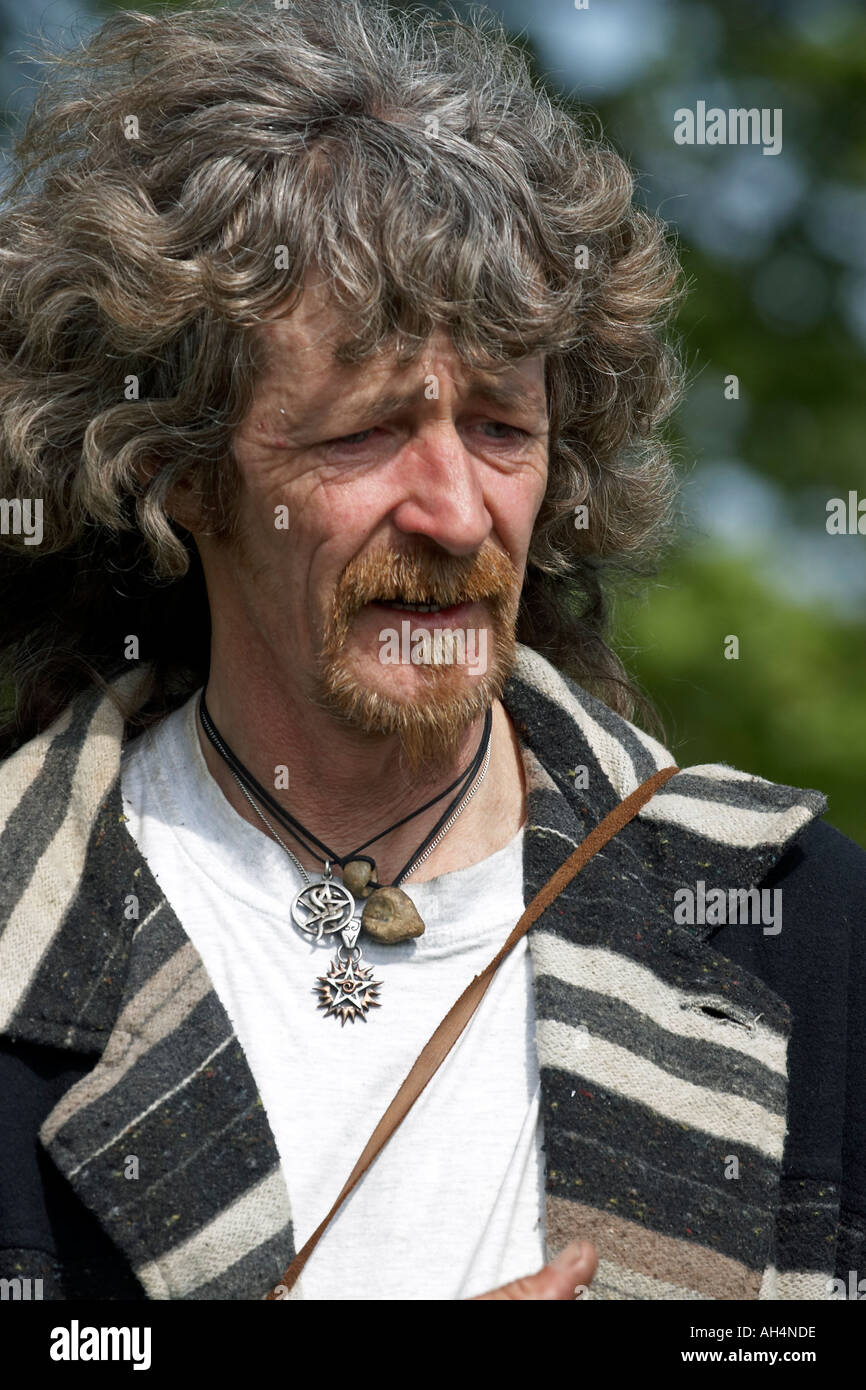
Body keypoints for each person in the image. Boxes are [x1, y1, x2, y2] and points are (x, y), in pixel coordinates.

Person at [0, 0, 863, 1303]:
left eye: (503, 428)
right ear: (180, 472)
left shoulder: (800, 927)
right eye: (361, 434)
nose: (458, 513)